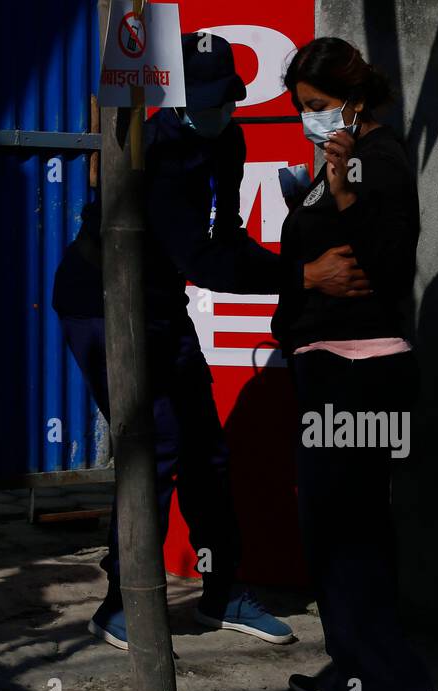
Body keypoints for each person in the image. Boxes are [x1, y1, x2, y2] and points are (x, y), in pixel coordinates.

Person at [52, 33, 364, 651]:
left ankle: (224, 591)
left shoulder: (228, 137)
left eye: (224, 100)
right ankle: (120, 600)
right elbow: (204, 262)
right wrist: (300, 277)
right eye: (203, 101)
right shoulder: (157, 150)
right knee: (156, 443)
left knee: (205, 448)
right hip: (102, 300)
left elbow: (228, 238)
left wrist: (286, 266)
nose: (214, 111)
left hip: (161, 299)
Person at [274, 38, 438, 691]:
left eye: (317, 106)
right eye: (302, 110)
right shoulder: (339, 163)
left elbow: (391, 260)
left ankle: (398, 683)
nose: (310, 120)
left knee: (350, 533)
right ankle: (352, 668)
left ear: (354, 98)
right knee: (331, 527)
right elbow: (309, 266)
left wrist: (343, 195)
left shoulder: (379, 159)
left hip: (358, 369)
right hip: (328, 362)